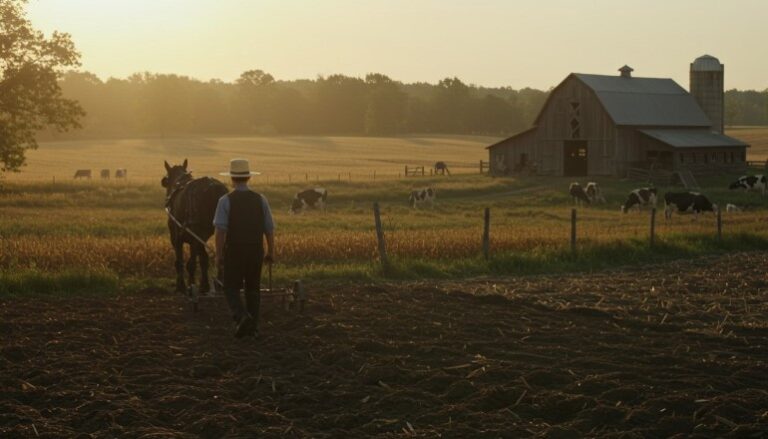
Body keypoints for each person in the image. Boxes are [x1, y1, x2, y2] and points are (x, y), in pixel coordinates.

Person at [213, 159, 275, 338]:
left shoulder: (225, 201)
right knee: (253, 288)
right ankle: (253, 327)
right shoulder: (260, 200)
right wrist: (271, 251)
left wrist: (218, 255)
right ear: (248, 177)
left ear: (232, 179)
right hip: (256, 249)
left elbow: (220, 231)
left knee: (230, 287)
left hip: (234, 250)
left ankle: (241, 317)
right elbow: (269, 229)